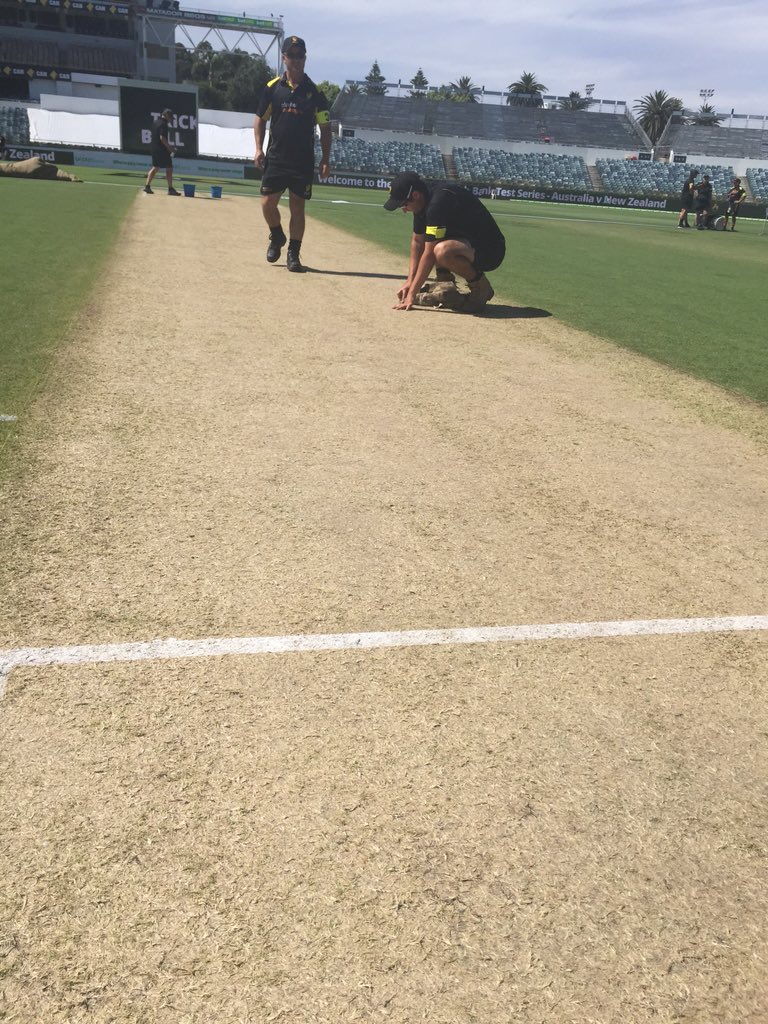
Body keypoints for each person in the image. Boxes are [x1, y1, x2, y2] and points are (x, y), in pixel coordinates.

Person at [253, 35, 332, 273]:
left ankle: (293, 254)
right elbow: (259, 120)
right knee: (267, 203)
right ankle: (277, 236)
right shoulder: (272, 89)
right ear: (284, 58)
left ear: (305, 59)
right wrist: (258, 148)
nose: (296, 60)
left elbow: (325, 128)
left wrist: (326, 159)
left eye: (301, 56)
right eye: (292, 56)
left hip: (302, 161)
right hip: (276, 157)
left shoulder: (315, 93)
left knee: (298, 207)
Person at [384, 171, 506, 313]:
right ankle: (445, 286)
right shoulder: (422, 201)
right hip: (467, 245)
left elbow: (429, 254)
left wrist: (411, 295)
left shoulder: (437, 202)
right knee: (435, 240)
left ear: (415, 195)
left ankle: (481, 289)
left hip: (490, 250)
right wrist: (410, 282)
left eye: (403, 204)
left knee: (441, 250)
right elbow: (417, 242)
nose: (404, 210)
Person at [143, 109, 180, 196]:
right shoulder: (164, 124)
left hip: (154, 148)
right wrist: (171, 149)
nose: (171, 120)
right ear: (166, 115)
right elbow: (162, 138)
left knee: (155, 167)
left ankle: (147, 186)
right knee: (169, 168)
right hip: (161, 149)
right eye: (170, 117)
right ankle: (170, 189)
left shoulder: (155, 122)